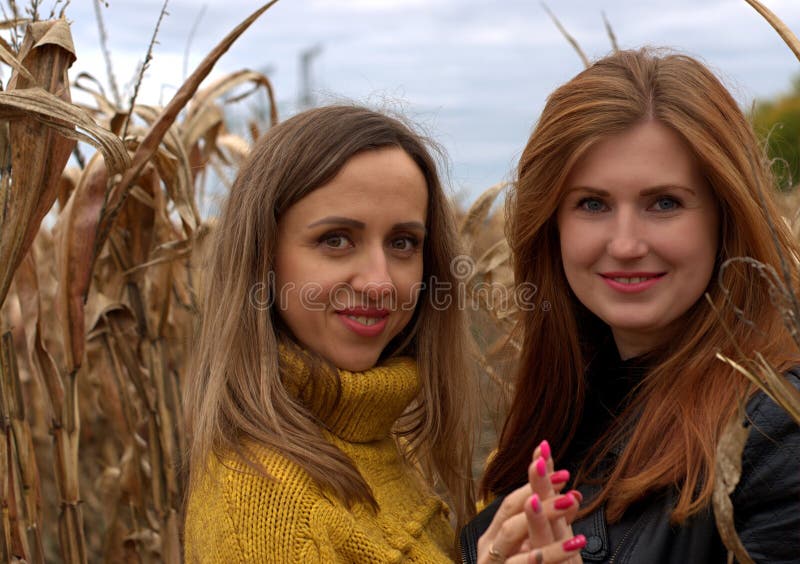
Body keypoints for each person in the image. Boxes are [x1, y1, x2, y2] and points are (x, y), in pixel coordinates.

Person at [460, 48, 800, 563]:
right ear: (551, 226)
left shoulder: (778, 432)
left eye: (664, 203)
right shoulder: (567, 404)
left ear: (726, 216)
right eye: (592, 204)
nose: (625, 244)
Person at [182, 105, 479, 562]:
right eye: (336, 240)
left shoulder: (372, 435)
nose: (380, 283)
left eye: (403, 243)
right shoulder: (266, 507)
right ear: (263, 257)